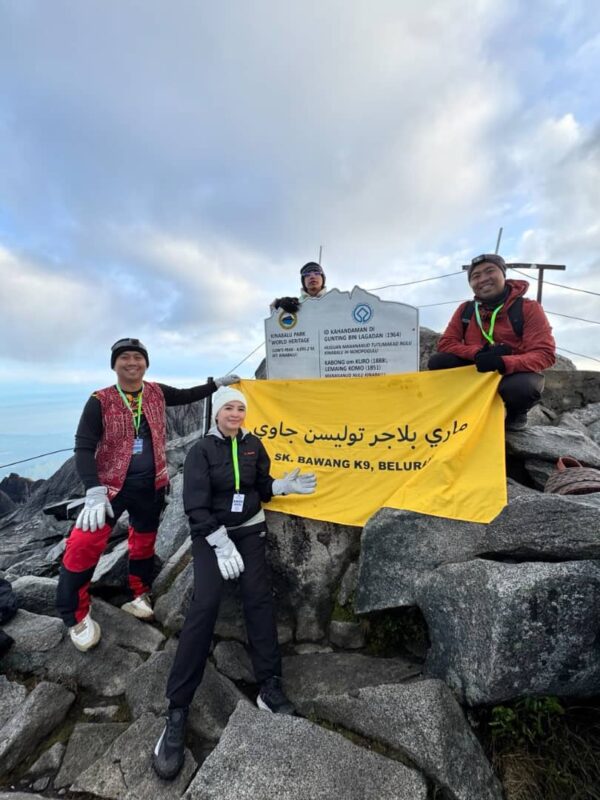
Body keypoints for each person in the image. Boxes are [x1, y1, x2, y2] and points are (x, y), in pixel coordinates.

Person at [152, 385, 316, 781]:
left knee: (259, 600)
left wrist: (280, 487)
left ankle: (269, 686)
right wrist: (218, 540)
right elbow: (195, 505)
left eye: (240, 408)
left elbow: (260, 487)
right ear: (216, 412)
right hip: (212, 537)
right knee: (204, 606)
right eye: (229, 407)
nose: (236, 414)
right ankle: (177, 711)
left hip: (250, 530)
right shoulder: (201, 452)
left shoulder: (253, 444)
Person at [55, 337, 240, 651]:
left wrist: (215, 386)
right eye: (124, 358)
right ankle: (75, 614)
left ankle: (139, 592)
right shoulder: (99, 400)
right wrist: (94, 490)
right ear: (114, 365)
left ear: (146, 363)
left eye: (138, 358)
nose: (132, 363)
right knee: (83, 545)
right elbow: (84, 447)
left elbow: (186, 396)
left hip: (151, 484)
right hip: (111, 488)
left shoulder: (155, 391)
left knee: (143, 541)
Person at [428, 254, 556, 430]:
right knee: (439, 361)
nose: (483, 279)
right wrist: (477, 353)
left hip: (513, 373)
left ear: (504, 274)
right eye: (476, 276)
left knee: (522, 388)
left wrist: (503, 361)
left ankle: (515, 415)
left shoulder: (528, 308)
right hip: (479, 367)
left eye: (490, 271)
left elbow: (545, 354)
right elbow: (447, 343)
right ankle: (466, 409)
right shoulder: (466, 309)